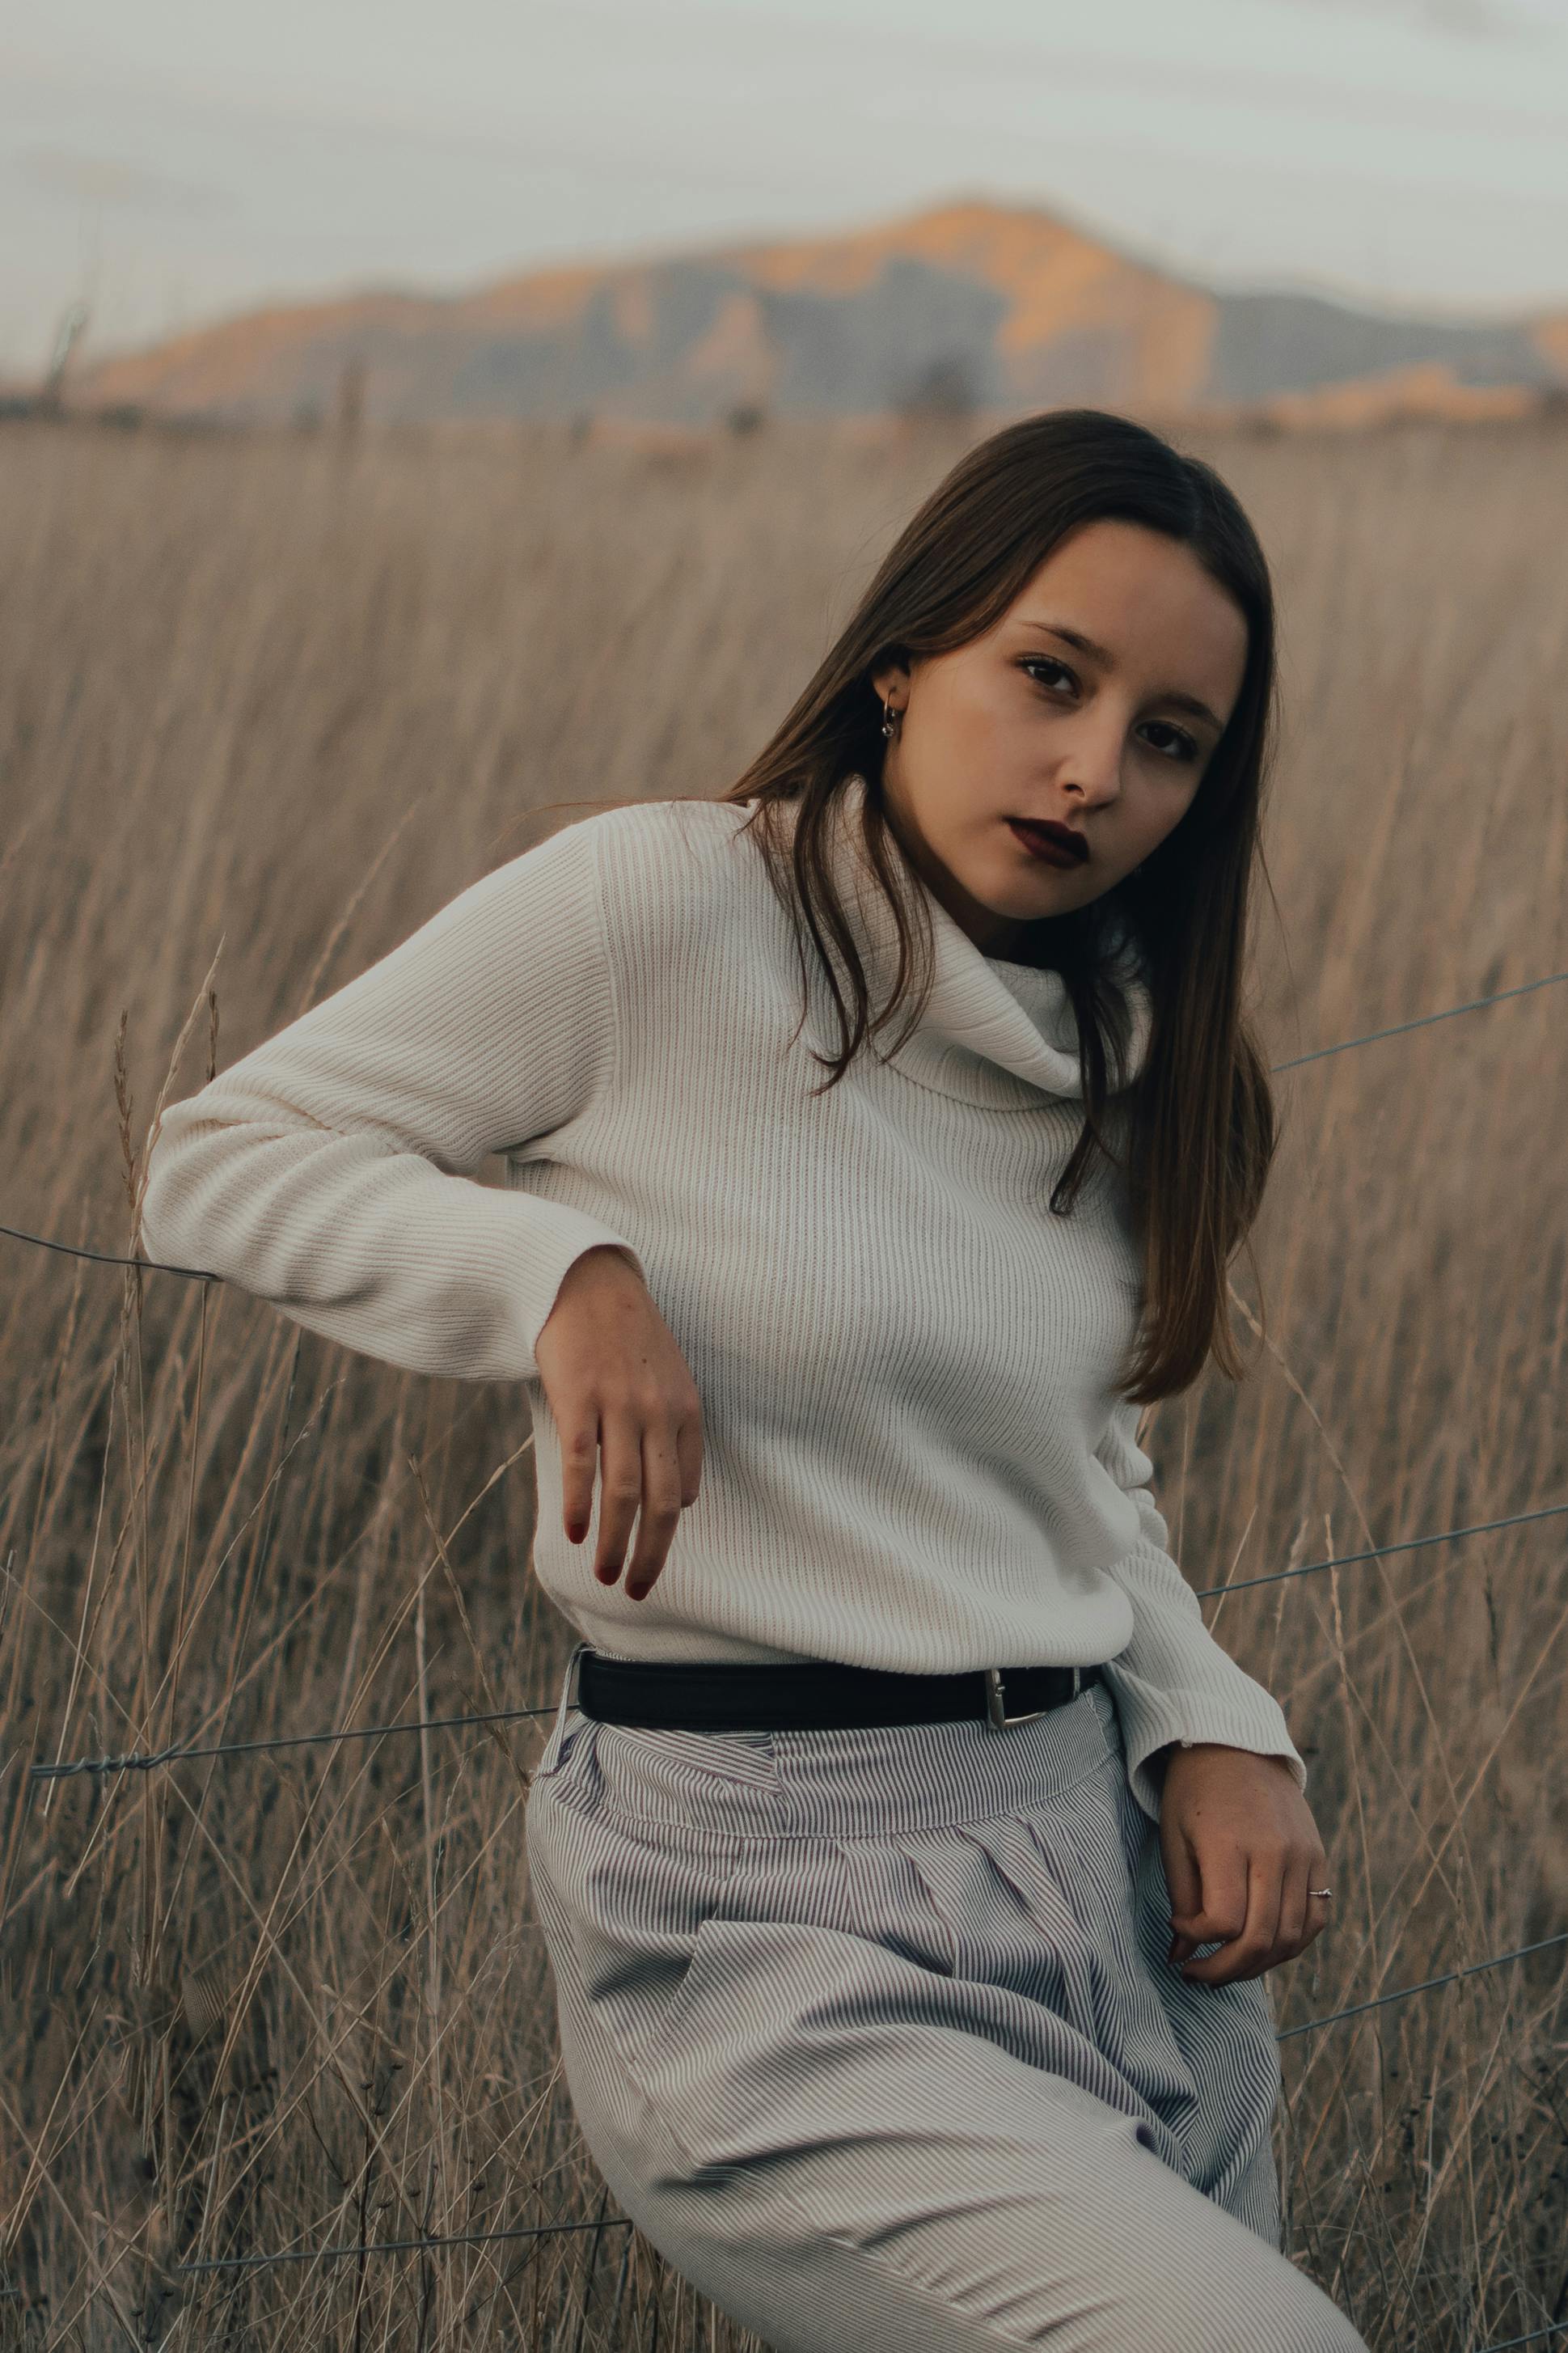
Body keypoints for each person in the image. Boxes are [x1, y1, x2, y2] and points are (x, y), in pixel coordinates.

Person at [140, 407, 1368, 2351]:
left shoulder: (1126, 1053)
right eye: (1048, 677)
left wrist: (1209, 1715)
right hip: (761, 1918)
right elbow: (215, 1159)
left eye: (1166, 740)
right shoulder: (662, 908)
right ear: (904, 658)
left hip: (1109, 1876)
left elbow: (1077, 1464)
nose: (1090, 771)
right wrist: (557, 1267)